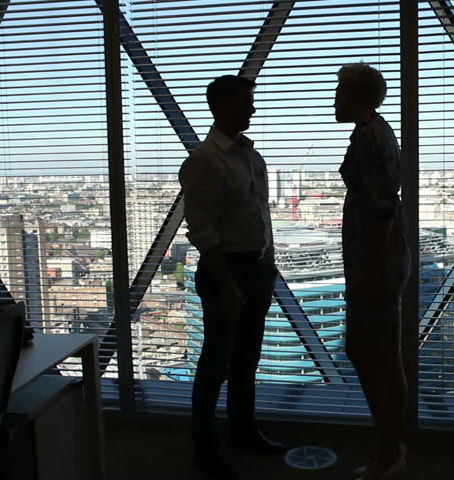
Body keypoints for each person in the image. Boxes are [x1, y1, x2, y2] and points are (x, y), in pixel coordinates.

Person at [178, 75, 285, 480]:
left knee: (246, 359)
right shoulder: (206, 160)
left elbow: (261, 217)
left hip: (255, 267)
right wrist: (227, 283)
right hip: (227, 270)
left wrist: (268, 265)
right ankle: (205, 451)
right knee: (216, 363)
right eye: (245, 102)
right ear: (220, 106)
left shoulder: (249, 156)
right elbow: (202, 231)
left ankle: (242, 432)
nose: (252, 109)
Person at [334, 63, 410, 480]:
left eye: (340, 89)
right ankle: (391, 446)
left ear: (357, 95)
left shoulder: (371, 137)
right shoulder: (373, 131)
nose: (334, 97)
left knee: (375, 355)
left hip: (373, 269)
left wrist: (369, 277)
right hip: (374, 267)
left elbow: (380, 212)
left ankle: (390, 451)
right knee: (374, 353)